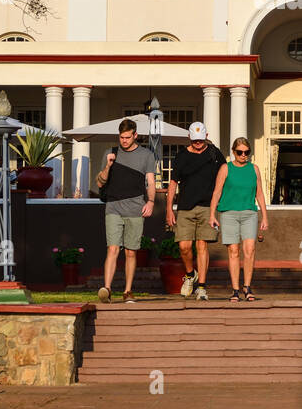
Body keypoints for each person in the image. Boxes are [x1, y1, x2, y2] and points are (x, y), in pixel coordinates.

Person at [94, 118, 156, 303]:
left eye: (128, 137)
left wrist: (151, 201)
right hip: (113, 207)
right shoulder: (110, 153)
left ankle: (128, 291)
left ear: (135, 135)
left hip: (136, 208)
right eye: (121, 137)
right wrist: (108, 166)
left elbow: (151, 182)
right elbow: (99, 182)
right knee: (112, 249)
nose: (124, 141)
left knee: (131, 251)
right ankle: (107, 288)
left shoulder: (146, 155)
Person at [166, 121, 224, 301]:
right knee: (183, 246)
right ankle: (191, 275)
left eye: (200, 140)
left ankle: (202, 287)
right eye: (194, 140)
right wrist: (169, 209)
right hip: (185, 206)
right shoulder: (181, 156)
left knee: (202, 245)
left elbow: (224, 175)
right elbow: (173, 183)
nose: (198, 143)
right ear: (189, 138)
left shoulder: (215, 154)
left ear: (206, 137)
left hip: (208, 206)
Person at [208, 137, 268, 301]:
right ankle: (235, 289)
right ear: (233, 152)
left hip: (249, 213)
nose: (243, 155)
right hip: (229, 214)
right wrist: (212, 214)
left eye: (246, 152)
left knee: (249, 250)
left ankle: (247, 287)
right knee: (233, 251)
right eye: (240, 152)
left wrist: (265, 216)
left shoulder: (254, 169)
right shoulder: (225, 168)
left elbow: (260, 194)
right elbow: (217, 192)